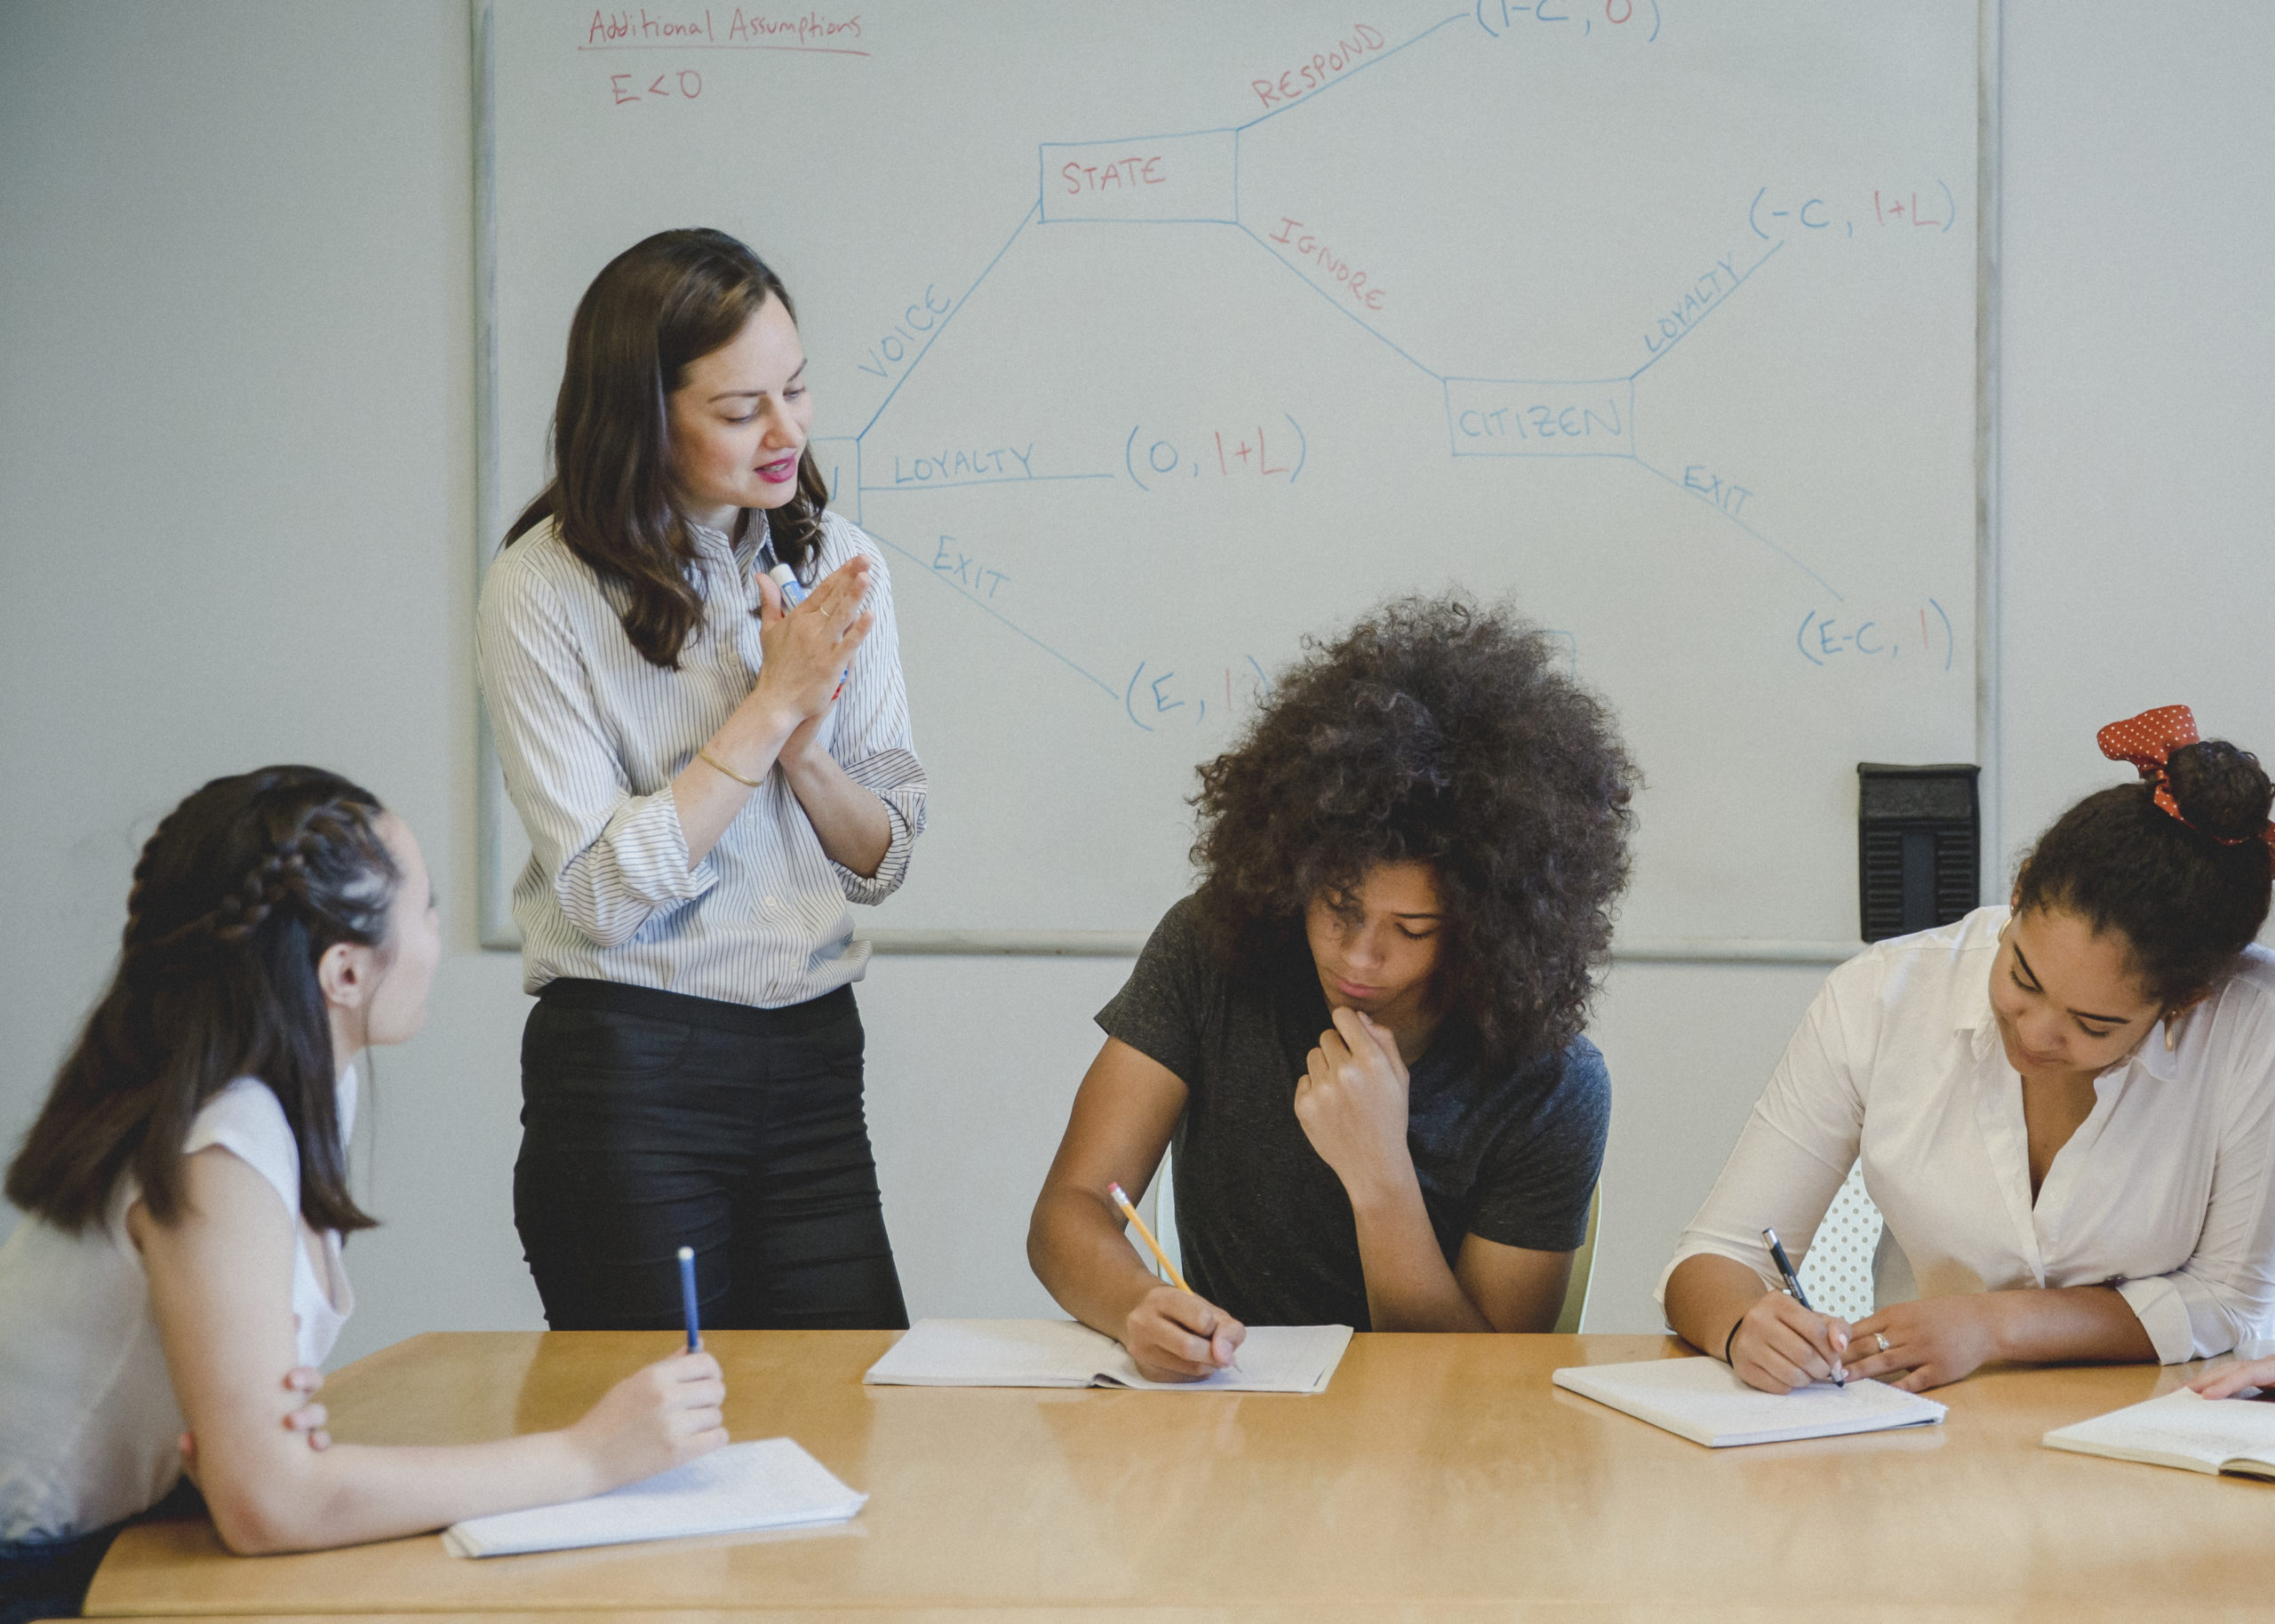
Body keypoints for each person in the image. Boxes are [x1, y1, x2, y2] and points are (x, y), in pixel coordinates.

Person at [0, 768, 724, 1622]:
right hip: (43, 1573)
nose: (436, 933)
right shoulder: (227, 1144)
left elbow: (264, 1474)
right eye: (425, 908)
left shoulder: (287, 1090)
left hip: (131, 1529)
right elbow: (270, 1504)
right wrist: (589, 1458)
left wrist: (265, 1458)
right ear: (344, 972)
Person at [478, 228, 923, 1333]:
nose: (786, 433)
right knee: (667, 1446)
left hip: (814, 1053)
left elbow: (885, 855)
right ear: (642, 413)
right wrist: (769, 707)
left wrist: (808, 750)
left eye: (798, 389)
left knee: (860, 1422)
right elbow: (596, 894)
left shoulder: (837, 561)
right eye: (738, 410)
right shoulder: (542, 589)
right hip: (632, 1066)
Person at [1027, 596, 1637, 1380]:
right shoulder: (1211, 953)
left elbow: (1479, 1387)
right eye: (1338, 908)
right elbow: (1068, 1211)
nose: (1360, 956)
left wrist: (1379, 1175)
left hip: (1424, 1458)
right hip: (1228, 1409)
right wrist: (1132, 1305)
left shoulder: (1552, 1082)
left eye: (1412, 930)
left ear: (1489, 928)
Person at [1663, 705, 2275, 1395]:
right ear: (2016, 900)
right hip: (1927, 1426)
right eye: (2022, 977)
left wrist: (1995, 1325)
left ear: (2185, 1001)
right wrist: (1745, 1324)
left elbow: (2231, 1300)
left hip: (2151, 1431)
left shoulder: (2252, 1028)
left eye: (2093, 1025)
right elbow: (1716, 1255)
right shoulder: (1879, 997)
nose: (2036, 1034)